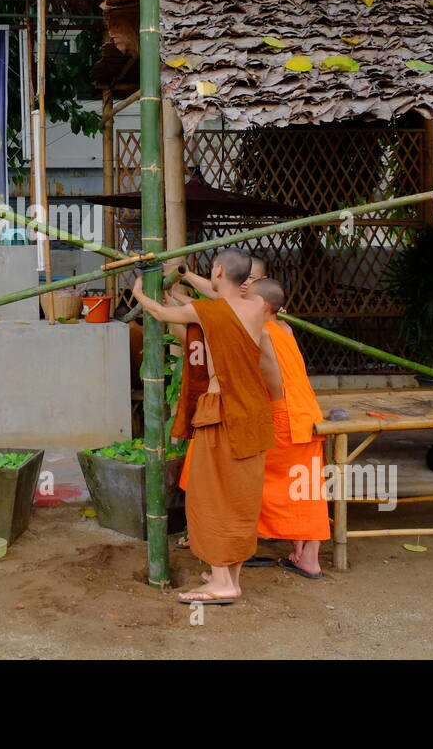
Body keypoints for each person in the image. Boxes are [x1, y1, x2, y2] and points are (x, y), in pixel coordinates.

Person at [131, 248, 273, 604]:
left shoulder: (206, 311)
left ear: (220, 270)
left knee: (212, 495)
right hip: (253, 412)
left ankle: (224, 584)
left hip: (222, 410)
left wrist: (137, 293)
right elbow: (221, 298)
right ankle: (228, 573)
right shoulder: (257, 308)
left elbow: (161, 313)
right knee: (240, 494)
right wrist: (189, 281)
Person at [168, 254, 266, 548]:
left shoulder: (256, 307)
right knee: (214, 482)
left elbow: (218, 298)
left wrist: (178, 287)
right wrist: (182, 279)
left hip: (241, 408)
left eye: (253, 280)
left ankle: (224, 551)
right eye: (245, 279)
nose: (246, 284)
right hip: (232, 408)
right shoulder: (244, 307)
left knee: (226, 486)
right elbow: (217, 296)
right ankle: (214, 545)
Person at [247, 278, 329, 578]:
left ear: (264, 306)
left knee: (263, 483)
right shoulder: (285, 328)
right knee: (305, 487)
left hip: (285, 418)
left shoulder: (260, 332)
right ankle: (305, 555)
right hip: (307, 414)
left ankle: (254, 546)